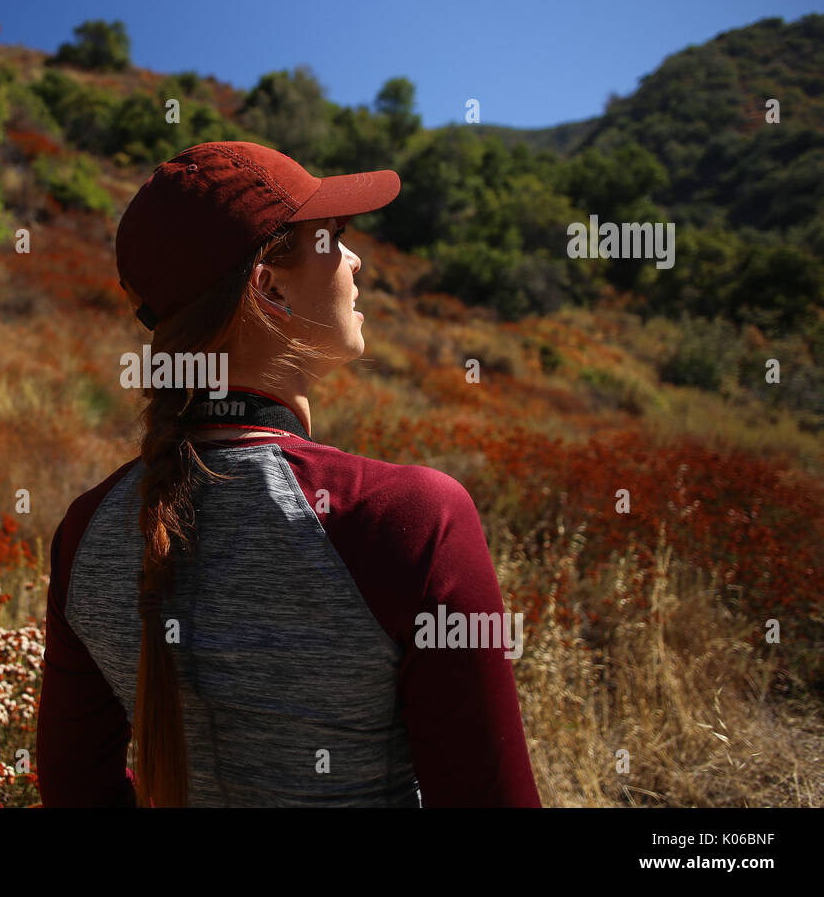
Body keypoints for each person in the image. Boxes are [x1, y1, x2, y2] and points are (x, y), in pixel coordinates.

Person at [35, 140, 541, 808]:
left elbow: (76, 790)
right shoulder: (412, 518)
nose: (356, 261)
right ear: (269, 287)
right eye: (333, 239)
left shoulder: (86, 531)